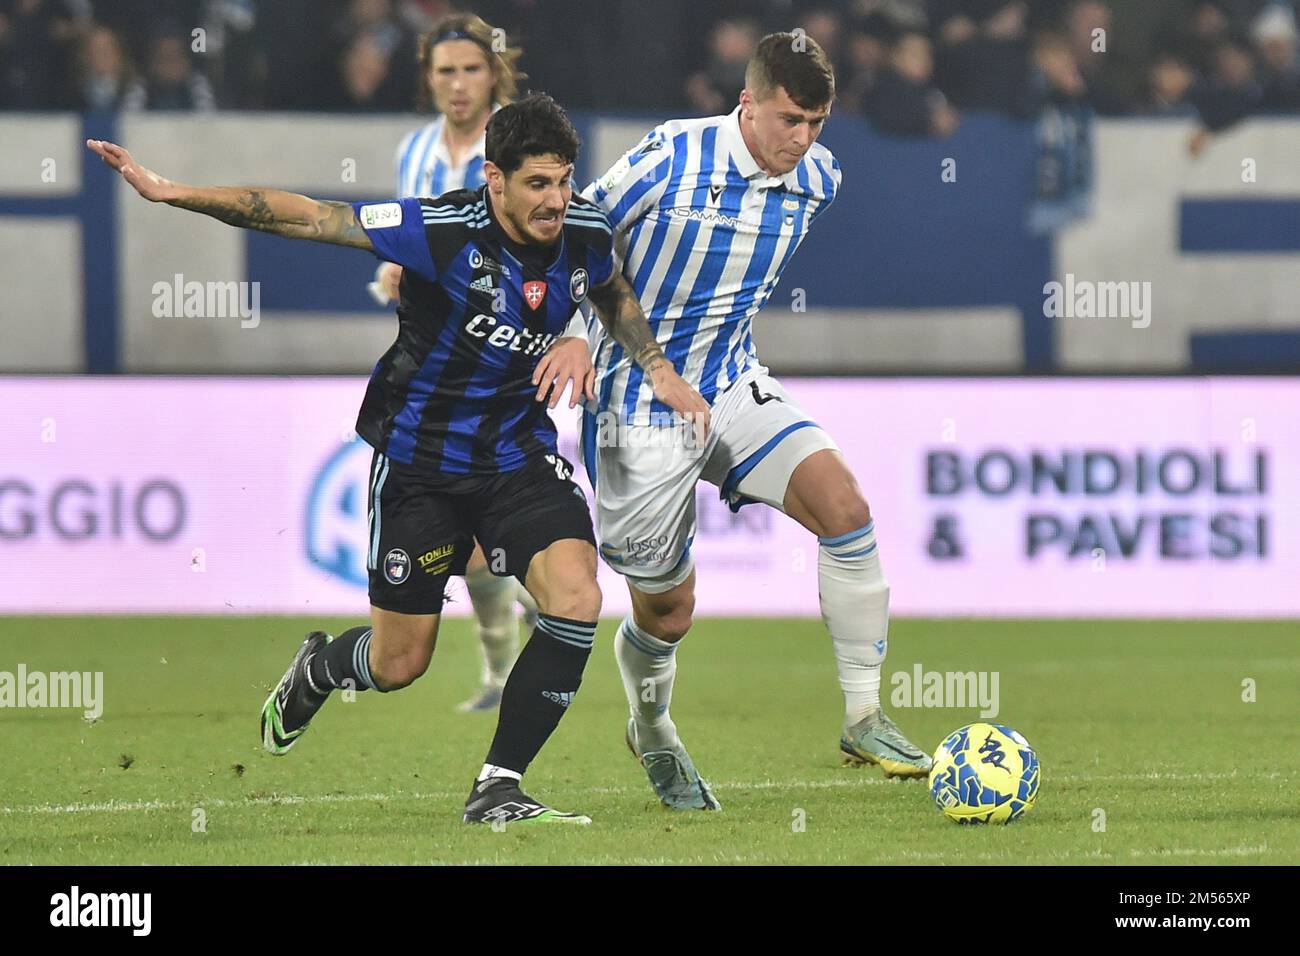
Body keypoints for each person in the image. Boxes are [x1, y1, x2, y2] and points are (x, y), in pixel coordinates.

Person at [87, 92, 709, 825]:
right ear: (494, 178)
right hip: (420, 465)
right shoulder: (441, 230)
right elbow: (308, 216)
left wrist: (655, 367)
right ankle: (320, 668)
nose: (557, 199)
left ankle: (498, 785)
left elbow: (609, 289)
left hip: (515, 454)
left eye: (565, 180)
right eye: (538, 184)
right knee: (399, 664)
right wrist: (173, 192)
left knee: (577, 596)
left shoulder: (583, 230)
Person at [580, 32, 931, 812]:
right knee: (669, 610)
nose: (802, 140)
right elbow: (573, 230)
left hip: (733, 386)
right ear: (748, 103)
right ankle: (654, 728)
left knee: (847, 508)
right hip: (637, 405)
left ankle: (864, 716)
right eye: (788, 119)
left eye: (817, 123)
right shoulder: (672, 156)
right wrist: (576, 339)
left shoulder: (820, 180)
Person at [373, 13, 538, 713]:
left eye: (472, 69)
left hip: (500, 362)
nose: (459, 84)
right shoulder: (414, 151)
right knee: (469, 544)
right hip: (436, 362)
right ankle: (505, 663)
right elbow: (409, 236)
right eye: (445, 72)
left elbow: (541, 249)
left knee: (477, 534)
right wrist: (392, 271)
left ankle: (510, 658)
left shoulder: (519, 145)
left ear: (495, 73)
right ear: (429, 79)